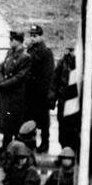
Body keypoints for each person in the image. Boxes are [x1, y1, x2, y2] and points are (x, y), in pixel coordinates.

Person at [0, 30, 30, 149]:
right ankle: (5, 146)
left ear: (18, 41)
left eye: (12, 40)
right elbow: (1, 67)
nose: (10, 42)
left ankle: (12, 148)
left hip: (15, 95)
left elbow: (19, 77)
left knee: (13, 124)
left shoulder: (25, 57)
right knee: (6, 123)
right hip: (6, 94)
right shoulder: (10, 53)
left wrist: (4, 84)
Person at [25, 25, 55, 153]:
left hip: (41, 92)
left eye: (35, 36)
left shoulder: (46, 52)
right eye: (31, 35)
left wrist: (46, 92)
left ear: (41, 36)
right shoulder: (30, 50)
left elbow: (48, 74)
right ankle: (31, 141)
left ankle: (45, 142)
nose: (33, 38)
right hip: (30, 91)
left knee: (43, 121)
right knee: (30, 117)